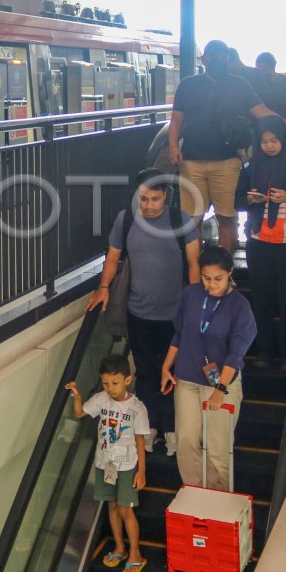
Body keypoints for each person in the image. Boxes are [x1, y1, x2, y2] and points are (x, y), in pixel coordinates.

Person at [87, 169, 200, 456]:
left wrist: (196, 303)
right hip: (139, 315)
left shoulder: (180, 221)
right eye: (143, 199)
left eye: (155, 199)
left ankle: (173, 431)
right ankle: (148, 432)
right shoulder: (126, 219)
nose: (148, 205)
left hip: (174, 315)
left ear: (166, 197)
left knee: (174, 374)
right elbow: (112, 257)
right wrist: (103, 286)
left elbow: (194, 263)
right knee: (147, 374)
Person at [167, 39, 278, 253]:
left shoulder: (240, 84)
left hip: (228, 162)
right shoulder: (188, 85)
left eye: (223, 55)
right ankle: (196, 274)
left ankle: (225, 272)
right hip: (190, 162)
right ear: (204, 59)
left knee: (228, 217)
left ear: (229, 58)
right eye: (214, 55)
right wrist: (173, 145)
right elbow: (177, 119)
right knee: (192, 220)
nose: (219, 59)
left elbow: (262, 111)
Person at [161, 245, 256, 490]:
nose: (211, 284)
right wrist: (166, 366)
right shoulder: (191, 295)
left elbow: (235, 355)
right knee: (186, 440)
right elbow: (180, 334)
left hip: (220, 384)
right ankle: (194, 491)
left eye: (218, 279)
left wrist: (220, 389)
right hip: (188, 378)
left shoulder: (239, 306)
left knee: (217, 448)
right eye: (206, 278)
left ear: (230, 273)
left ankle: (219, 497)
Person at [236, 116, 286, 370]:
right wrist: (251, 200)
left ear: (283, 139)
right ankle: (265, 351)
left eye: (274, 140)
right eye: (263, 141)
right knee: (261, 299)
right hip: (259, 240)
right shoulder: (250, 168)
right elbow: (237, 202)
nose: (269, 146)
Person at [64, 354, 150, 572]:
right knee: (112, 506)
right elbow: (80, 413)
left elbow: (141, 440)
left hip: (127, 466)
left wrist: (141, 471)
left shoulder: (137, 408)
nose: (110, 388)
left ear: (127, 380)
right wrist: (77, 396)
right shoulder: (102, 399)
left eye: (115, 383)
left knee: (125, 509)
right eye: (105, 383)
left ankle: (135, 553)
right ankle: (120, 548)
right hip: (106, 463)